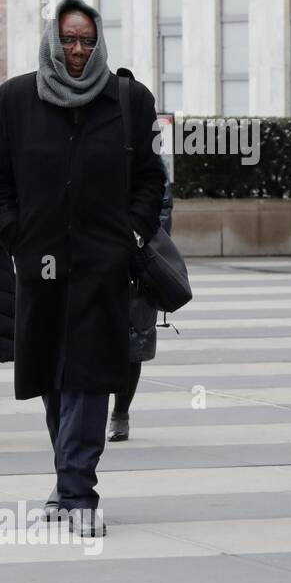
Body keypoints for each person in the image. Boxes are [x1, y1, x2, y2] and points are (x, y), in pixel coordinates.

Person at [0, 0, 166, 536]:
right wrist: (16, 234)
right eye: (69, 40)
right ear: (53, 39)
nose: (77, 51)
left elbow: (149, 176)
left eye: (87, 41)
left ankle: (78, 490)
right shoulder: (16, 99)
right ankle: (66, 478)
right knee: (52, 372)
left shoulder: (127, 99)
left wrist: (134, 232)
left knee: (90, 375)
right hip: (41, 260)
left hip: (103, 261)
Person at [108, 182, 174, 441]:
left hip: (137, 262)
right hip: (95, 259)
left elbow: (163, 205)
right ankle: (90, 413)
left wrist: (139, 236)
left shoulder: (145, 157)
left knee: (134, 341)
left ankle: (120, 414)